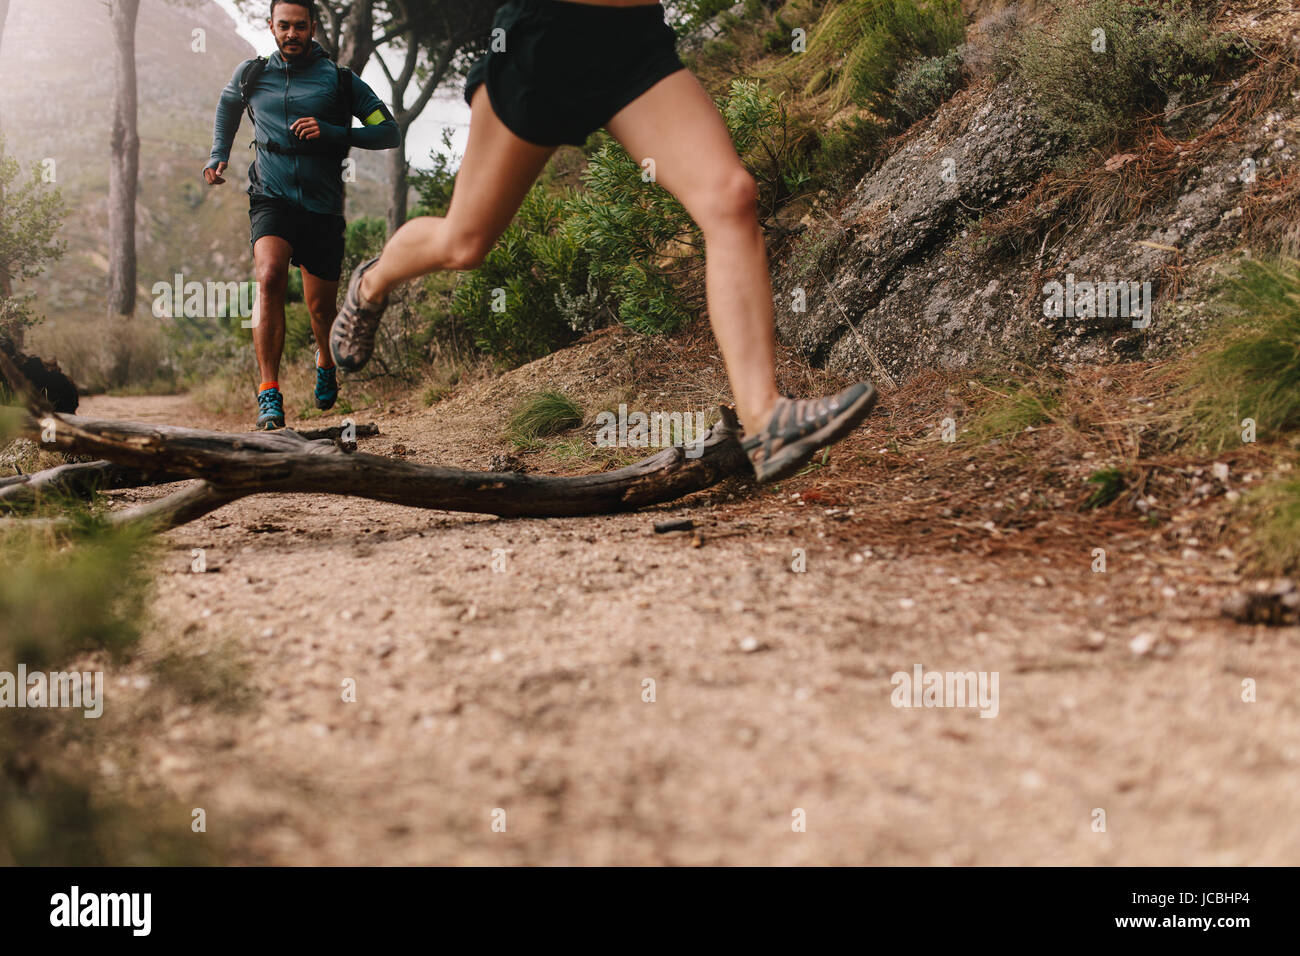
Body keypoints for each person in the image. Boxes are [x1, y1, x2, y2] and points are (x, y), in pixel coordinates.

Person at [331, 0, 878, 481]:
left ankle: (763, 419)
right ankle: (372, 281)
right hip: (544, 39)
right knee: (464, 243)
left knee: (730, 195)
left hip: (632, 42)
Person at [204, 0, 401, 430]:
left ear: (313, 26)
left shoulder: (340, 82)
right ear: (270, 26)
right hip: (270, 197)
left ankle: (325, 360)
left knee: (320, 310)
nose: (291, 34)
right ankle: (269, 393)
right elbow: (227, 107)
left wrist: (332, 132)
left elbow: (387, 130)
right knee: (269, 277)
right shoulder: (252, 74)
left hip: (322, 206)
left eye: (299, 26)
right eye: (283, 26)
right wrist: (218, 155)